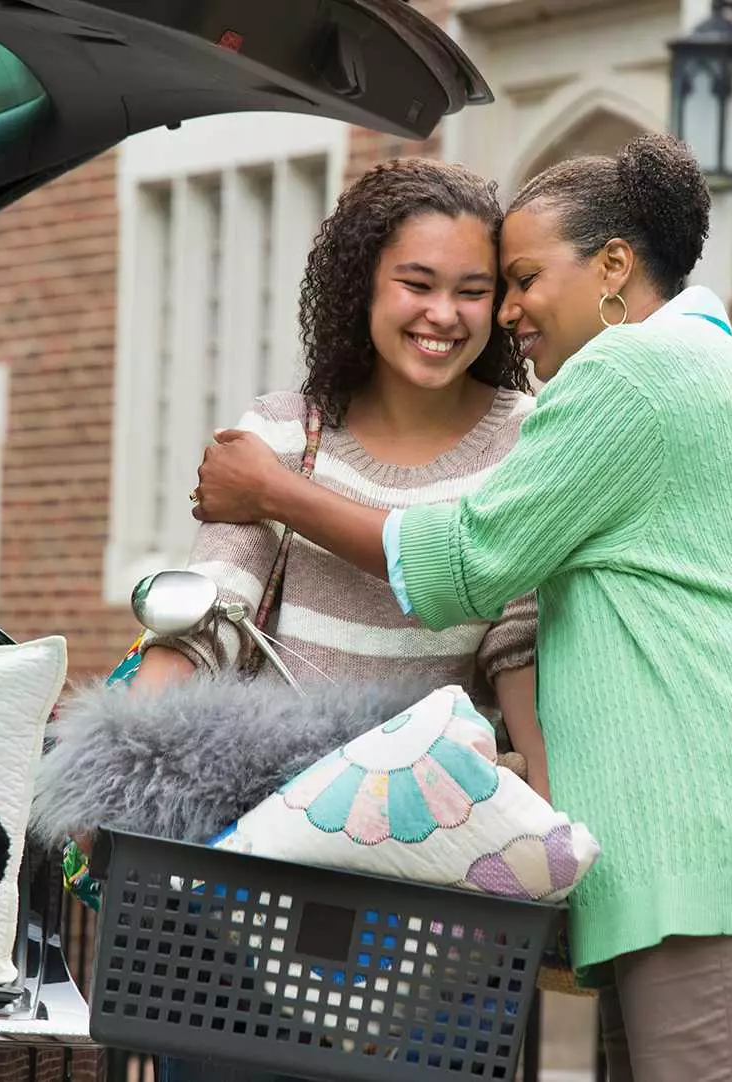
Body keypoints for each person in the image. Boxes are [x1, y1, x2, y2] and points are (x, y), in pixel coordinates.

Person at [189, 133, 732, 1082]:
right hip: (713, 839)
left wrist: (275, 492)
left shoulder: (632, 374)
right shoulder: (703, 371)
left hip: (719, 830)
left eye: (517, 279)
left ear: (612, 267)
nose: (506, 311)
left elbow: (467, 561)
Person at [121, 158, 545, 1082]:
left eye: (473, 290)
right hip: (265, 871)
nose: (444, 314)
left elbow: (521, 644)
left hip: (437, 881)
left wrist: (548, 840)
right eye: (418, 283)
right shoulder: (281, 432)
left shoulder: (529, 440)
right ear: (363, 285)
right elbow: (210, 620)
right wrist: (129, 778)